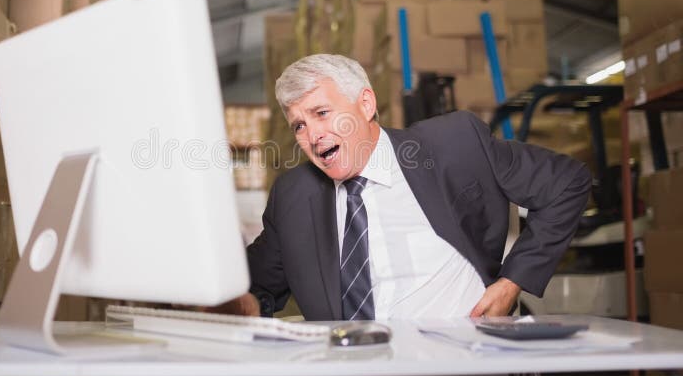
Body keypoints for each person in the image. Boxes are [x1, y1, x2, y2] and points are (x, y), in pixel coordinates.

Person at [221, 54, 591, 320]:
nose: (313, 134)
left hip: (455, 371)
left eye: (321, 113)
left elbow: (567, 183)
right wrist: (226, 301)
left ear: (365, 104)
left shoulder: (452, 145)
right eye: (299, 125)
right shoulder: (293, 195)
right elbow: (255, 287)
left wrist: (512, 282)